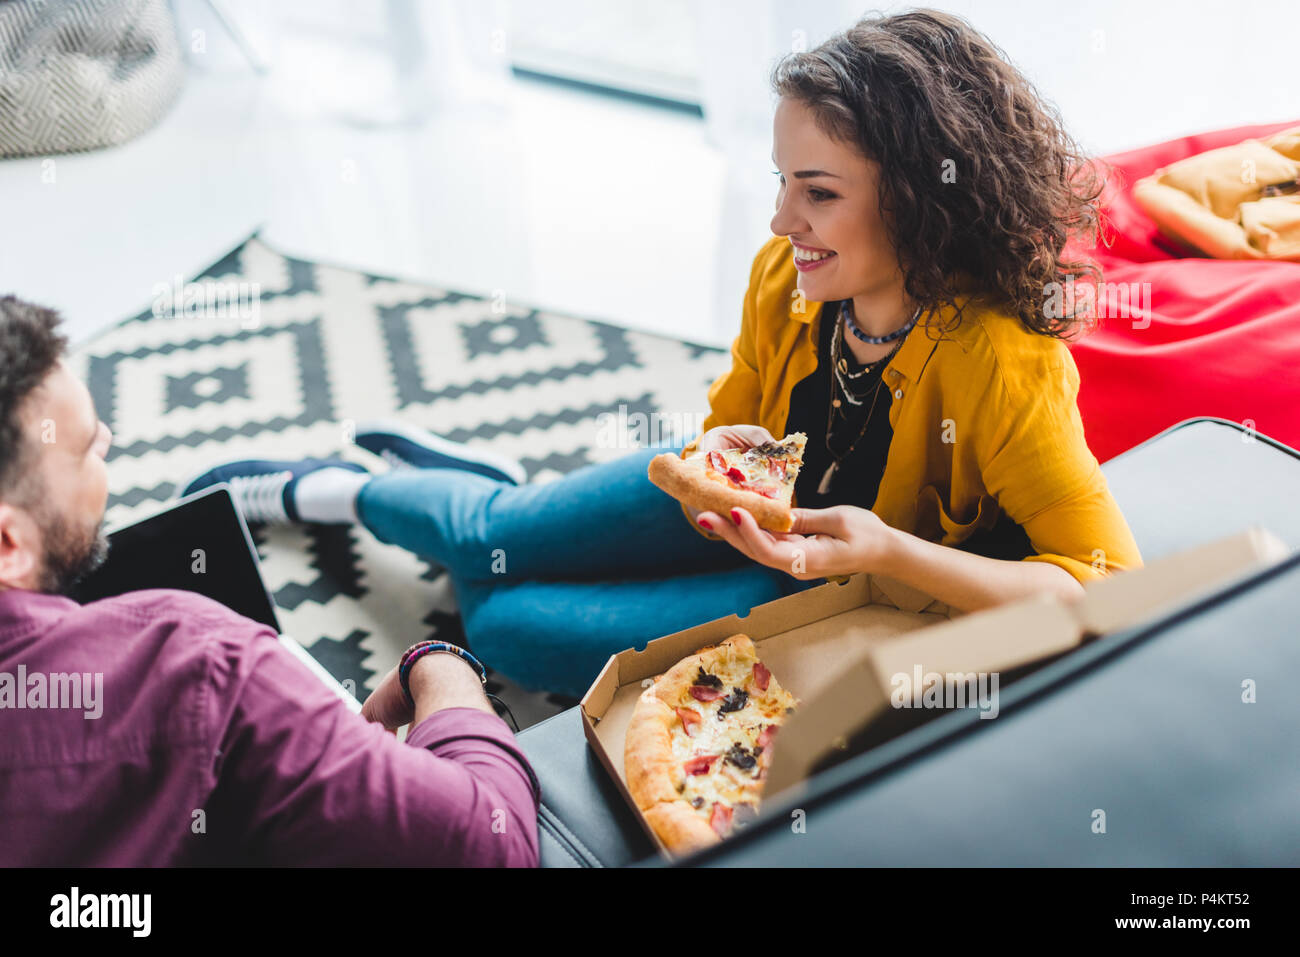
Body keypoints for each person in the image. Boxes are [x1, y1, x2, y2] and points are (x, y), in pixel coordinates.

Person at [184, 10, 1142, 699]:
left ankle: (471, 491)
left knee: (501, 622)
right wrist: (710, 478)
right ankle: (335, 489)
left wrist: (890, 549)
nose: (779, 220)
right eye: (780, 182)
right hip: (748, 512)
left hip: (837, 580)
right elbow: (738, 416)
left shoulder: (1005, 364)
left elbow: (1105, 582)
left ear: (922, 198)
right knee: (487, 540)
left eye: (816, 192)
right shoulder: (786, 275)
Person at [0, 296, 539, 867]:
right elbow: (496, 849)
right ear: (9, 544)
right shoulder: (201, 664)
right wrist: (437, 664)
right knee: (499, 595)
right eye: (86, 450)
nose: (105, 439)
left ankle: (403, 505)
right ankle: (391, 499)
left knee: (504, 616)